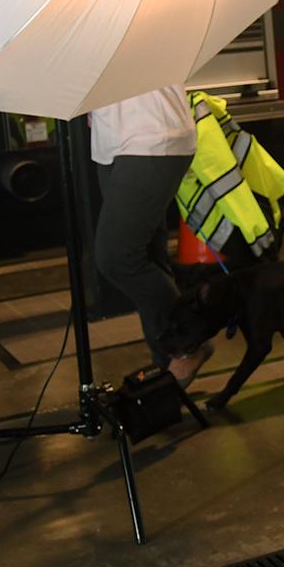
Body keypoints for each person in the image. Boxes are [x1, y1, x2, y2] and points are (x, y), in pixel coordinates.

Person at [89, 85, 210, 384]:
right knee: (148, 258)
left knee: (117, 257)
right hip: (112, 138)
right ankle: (166, 361)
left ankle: (188, 344)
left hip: (151, 133)